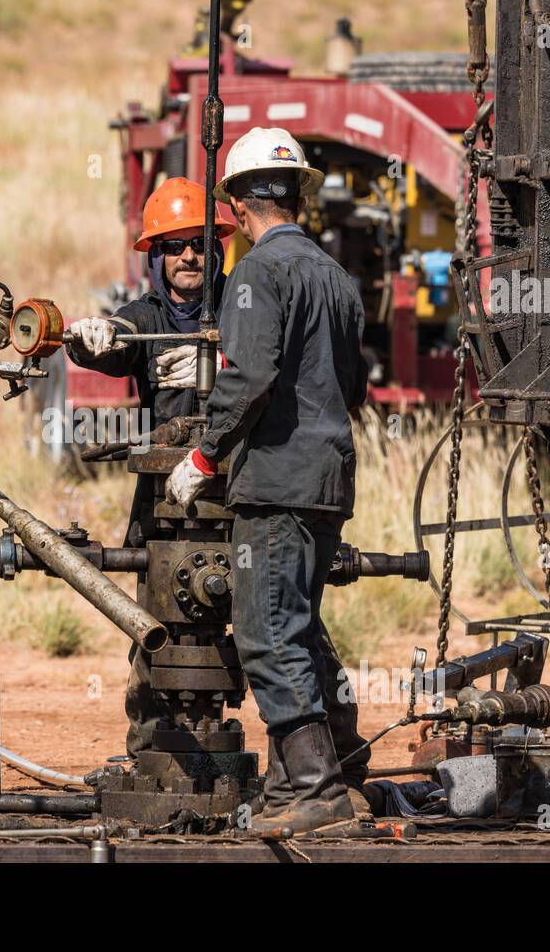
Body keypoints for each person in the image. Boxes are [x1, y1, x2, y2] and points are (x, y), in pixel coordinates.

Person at [166, 127, 370, 834]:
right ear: (294, 196)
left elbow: (248, 376)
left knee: (265, 637)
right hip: (327, 478)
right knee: (300, 629)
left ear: (239, 206)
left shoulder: (258, 272)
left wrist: (204, 455)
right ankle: (297, 789)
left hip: (277, 483)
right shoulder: (337, 276)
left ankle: (318, 790)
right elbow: (357, 385)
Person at [65, 176, 232, 758]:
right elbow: (120, 340)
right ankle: (151, 753)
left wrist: (225, 361)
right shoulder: (145, 314)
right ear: (155, 257)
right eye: (172, 245)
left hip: (239, 499)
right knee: (156, 633)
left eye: (198, 243)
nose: (188, 255)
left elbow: (280, 361)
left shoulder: (246, 303)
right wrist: (91, 340)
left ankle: (313, 762)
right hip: (166, 505)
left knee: (272, 631)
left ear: (219, 248)